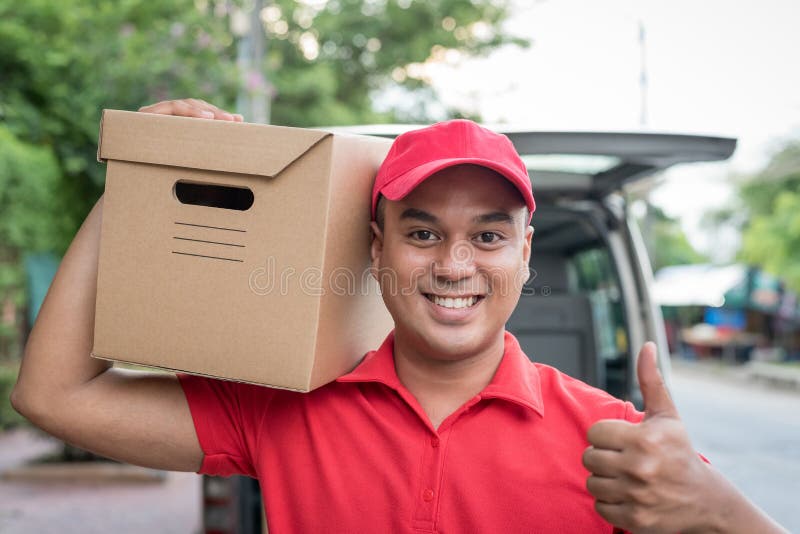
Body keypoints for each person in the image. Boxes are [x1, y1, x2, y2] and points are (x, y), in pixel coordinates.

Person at [12, 99, 786, 533]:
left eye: (489, 237)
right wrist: (139, 180)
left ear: (524, 255)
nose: (454, 264)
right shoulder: (287, 406)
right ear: (377, 249)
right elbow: (53, 396)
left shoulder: (611, 442)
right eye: (422, 234)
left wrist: (718, 509)